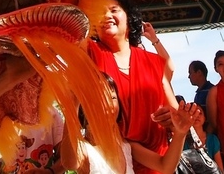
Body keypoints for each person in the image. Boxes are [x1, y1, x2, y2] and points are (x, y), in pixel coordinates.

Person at [88, 0, 179, 174]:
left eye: (114, 10)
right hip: (114, 164)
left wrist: (172, 120)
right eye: (99, 12)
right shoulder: (91, 53)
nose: (106, 15)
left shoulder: (154, 62)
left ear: (129, 18)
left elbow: (177, 116)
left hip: (159, 163)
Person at [65, 75, 204, 174]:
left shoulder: (127, 146)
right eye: (100, 97)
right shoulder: (84, 148)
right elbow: (69, 162)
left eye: (112, 97)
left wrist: (180, 134)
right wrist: (72, 106)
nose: (108, 103)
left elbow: (165, 167)